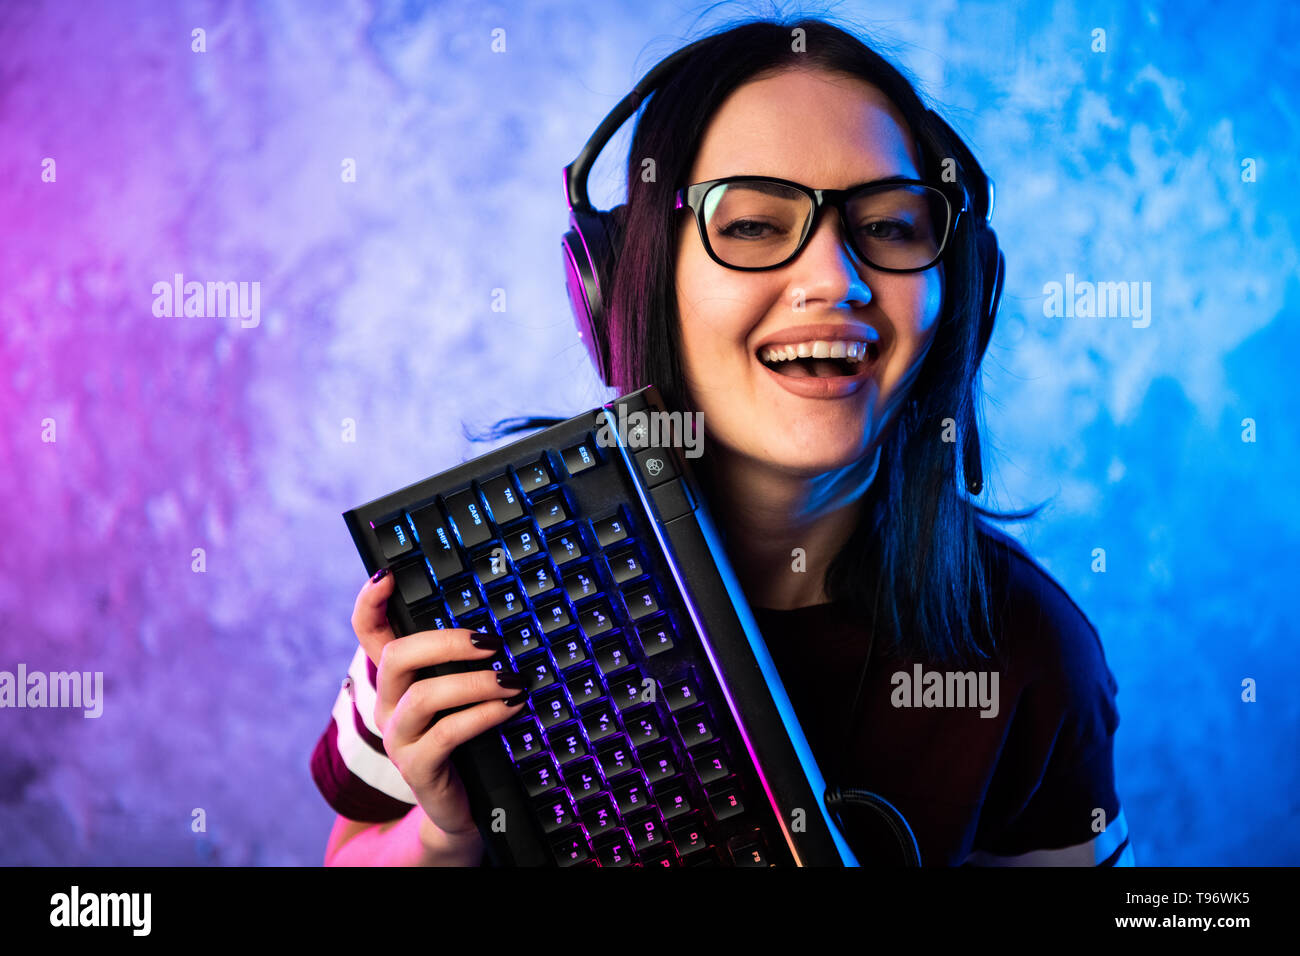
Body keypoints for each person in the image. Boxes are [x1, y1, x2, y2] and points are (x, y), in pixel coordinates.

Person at [311, 17, 1133, 867]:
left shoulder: (1027, 649)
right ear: (631, 282)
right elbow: (352, 849)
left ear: (956, 293)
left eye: (889, 227)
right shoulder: (480, 575)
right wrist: (445, 839)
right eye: (751, 226)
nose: (835, 280)